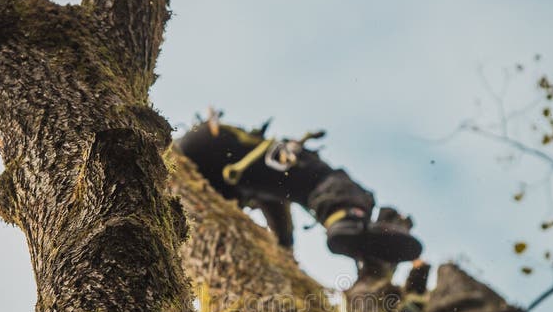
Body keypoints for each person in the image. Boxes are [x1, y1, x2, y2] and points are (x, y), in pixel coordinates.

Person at [177, 109, 422, 265]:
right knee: (319, 177)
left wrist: (284, 245)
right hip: (209, 147)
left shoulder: (255, 179)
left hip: (202, 165)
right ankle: (347, 217)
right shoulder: (250, 158)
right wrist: (285, 245)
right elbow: (277, 201)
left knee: (287, 186)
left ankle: (347, 222)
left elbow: (273, 201)